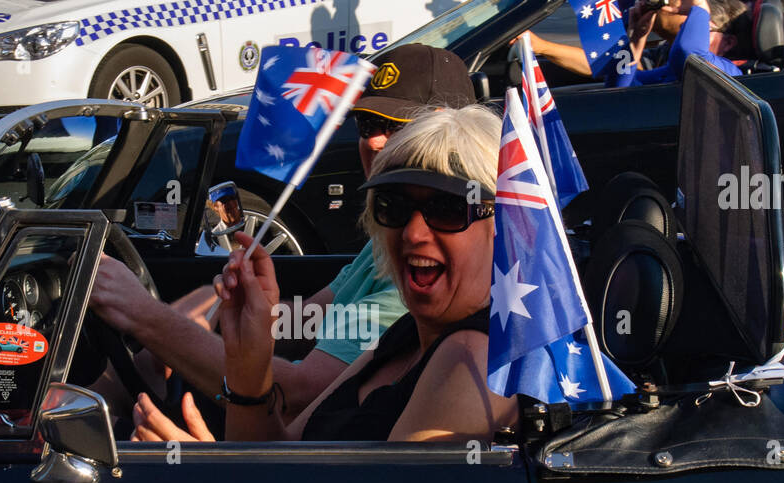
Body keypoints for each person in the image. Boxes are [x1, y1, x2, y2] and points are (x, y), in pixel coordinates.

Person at [87, 43, 475, 425]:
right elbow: (312, 318)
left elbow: (300, 395)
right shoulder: (387, 240)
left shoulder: (427, 274)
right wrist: (219, 311)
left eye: (398, 128)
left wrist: (142, 315)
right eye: (368, 125)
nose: (375, 141)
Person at [133, 105, 518, 444]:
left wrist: (210, 474)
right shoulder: (405, 337)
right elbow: (282, 452)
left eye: (448, 209)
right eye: (394, 206)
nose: (414, 233)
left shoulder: (474, 355)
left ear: (504, 224)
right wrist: (249, 366)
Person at [525, 0, 747, 86]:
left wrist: (699, 6)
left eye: (698, 27)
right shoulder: (668, 67)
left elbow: (689, 54)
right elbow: (618, 87)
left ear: (728, 42)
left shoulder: (730, 73)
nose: (688, 33)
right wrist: (637, 39)